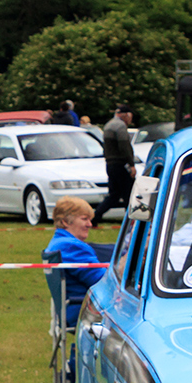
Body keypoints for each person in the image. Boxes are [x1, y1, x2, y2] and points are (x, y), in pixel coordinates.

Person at [47, 197, 107, 328]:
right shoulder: (71, 246)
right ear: (65, 222)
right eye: (84, 219)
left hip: (73, 308)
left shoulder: (57, 243)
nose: (90, 224)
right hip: (83, 310)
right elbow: (103, 282)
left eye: (90, 220)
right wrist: (124, 267)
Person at [93, 104, 137, 226]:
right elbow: (124, 146)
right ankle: (131, 221)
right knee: (129, 193)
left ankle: (96, 216)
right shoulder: (120, 126)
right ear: (126, 115)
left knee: (114, 195)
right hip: (120, 164)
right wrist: (131, 164)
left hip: (110, 164)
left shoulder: (108, 125)